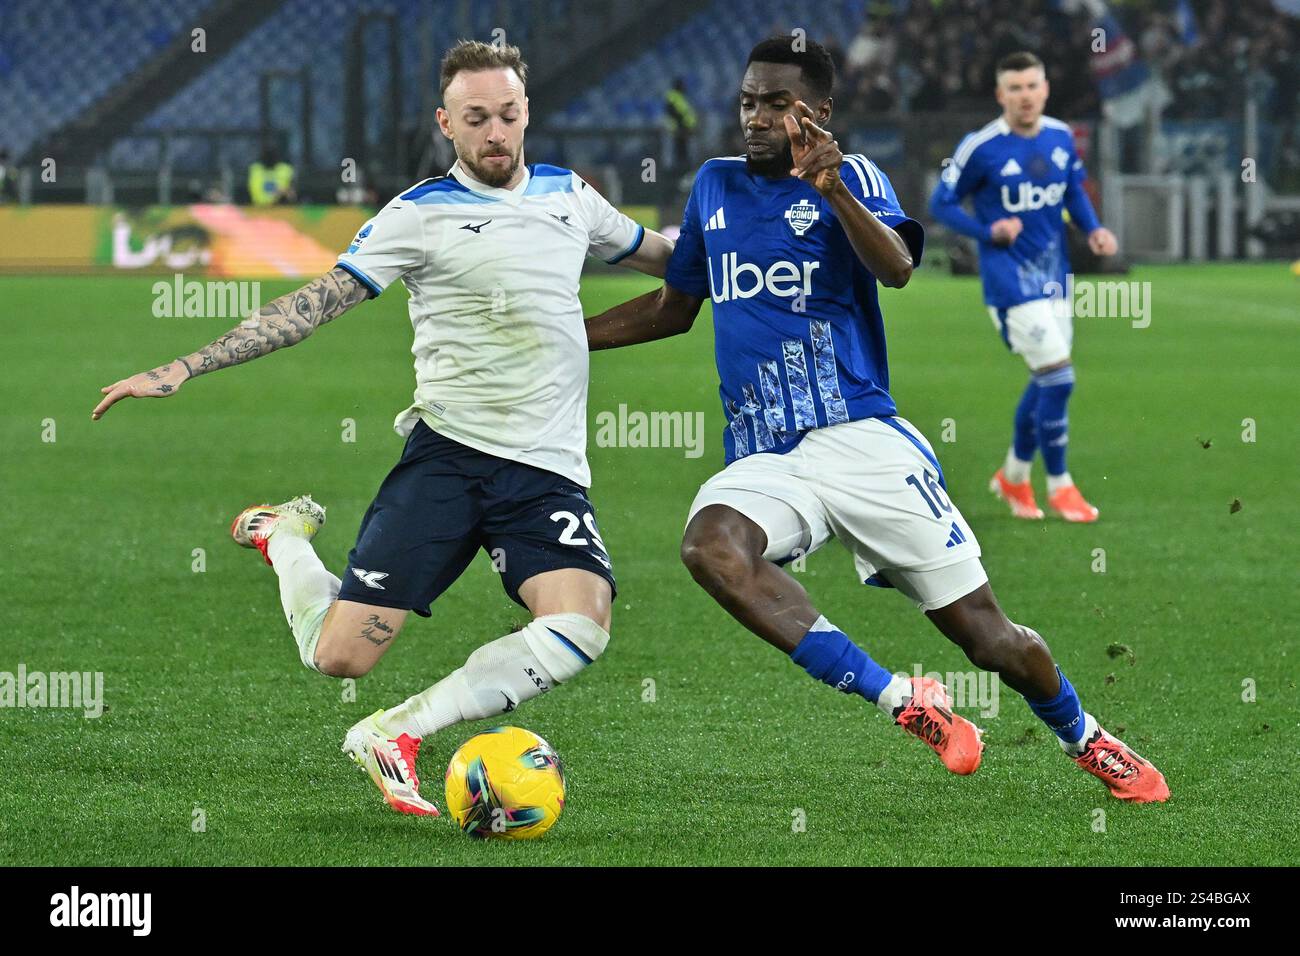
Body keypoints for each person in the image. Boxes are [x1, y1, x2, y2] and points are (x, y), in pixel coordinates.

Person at [90, 40, 673, 817]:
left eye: (507, 114)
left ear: (526, 112)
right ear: (446, 125)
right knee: (339, 656)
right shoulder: (419, 215)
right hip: (449, 460)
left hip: (546, 472)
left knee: (582, 622)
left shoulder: (572, 196)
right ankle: (284, 538)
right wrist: (188, 365)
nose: (495, 132)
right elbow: (313, 305)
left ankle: (397, 733)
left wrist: (765, 244)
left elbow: (674, 261)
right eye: (476, 119)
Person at [583, 36, 1168, 803]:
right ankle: (902, 699)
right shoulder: (714, 186)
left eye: (777, 104)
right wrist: (568, 335)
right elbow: (675, 307)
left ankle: (1085, 737)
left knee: (990, 640)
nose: (756, 117)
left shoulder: (851, 175)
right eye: (748, 101)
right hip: (768, 452)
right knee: (711, 548)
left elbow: (896, 267)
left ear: (817, 114)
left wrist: (832, 190)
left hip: (862, 439)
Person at [929, 51, 1118, 522]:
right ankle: (1060, 486)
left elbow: (1073, 188)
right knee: (1060, 377)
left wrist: (1092, 227)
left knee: (1046, 380)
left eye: (1032, 86)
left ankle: (1013, 476)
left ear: (1045, 88)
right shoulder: (982, 146)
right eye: (1014, 88)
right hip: (1008, 280)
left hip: (1054, 277)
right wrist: (986, 232)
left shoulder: (1059, 136)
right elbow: (941, 202)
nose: (1025, 96)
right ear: (1000, 95)